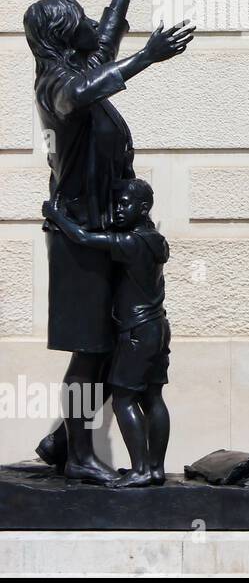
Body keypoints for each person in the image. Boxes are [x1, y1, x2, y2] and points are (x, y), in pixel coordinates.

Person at [25, 0, 192, 483]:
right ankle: (77, 454)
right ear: (59, 34)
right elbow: (89, 80)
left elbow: (100, 50)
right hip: (80, 234)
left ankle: (61, 438)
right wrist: (146, 55)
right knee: (90, 350)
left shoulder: (70, 68)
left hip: (101, 226)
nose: (88, 30)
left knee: (105, 343)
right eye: (77, 22)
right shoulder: (56, 85)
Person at [44, 179, 171, 488]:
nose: (118, 209)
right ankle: (155, 468)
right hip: (158, 327)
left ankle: (140, 469)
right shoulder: (157, 240)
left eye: (124, 204)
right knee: (153, 396)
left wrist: (57, 216)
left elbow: (84, 238)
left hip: (136, 331)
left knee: (124, 400)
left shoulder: (130, 243)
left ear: (142, 209)